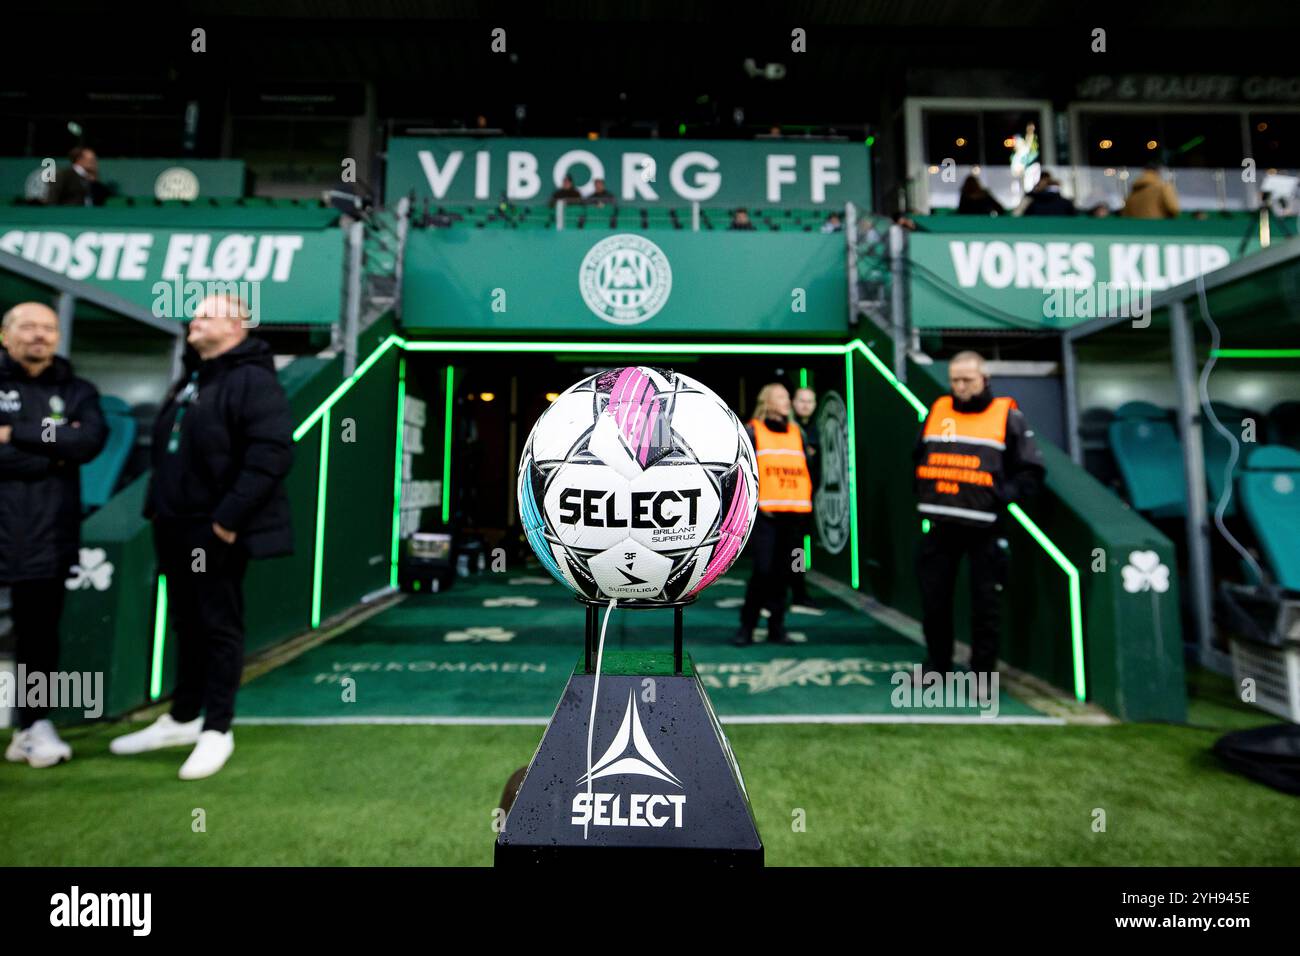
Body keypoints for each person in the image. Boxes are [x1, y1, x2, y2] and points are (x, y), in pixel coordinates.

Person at [109, 294, 293, 780]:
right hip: (173, 524)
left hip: (212, 529)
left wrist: (227, 518)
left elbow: (272, 453)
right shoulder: (193, 376)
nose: (195, 320)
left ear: (237, 326)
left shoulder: (253, 379)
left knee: (217, 625)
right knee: (187, 624)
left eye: (207, 314)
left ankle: (217, 728)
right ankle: (183, 717)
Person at [0, 302, 107, 767]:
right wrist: (51, 449)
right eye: (27, 327)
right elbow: (66, 445)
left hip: (47, 534)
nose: (38, 335)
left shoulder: (79, 389)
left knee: (39, 635)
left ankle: (33, 725)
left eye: (47, 328)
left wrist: (12, 435)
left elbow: (86, 443)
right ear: (5, 336)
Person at [913, 351, 1044, 679]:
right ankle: (937, 666)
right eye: (955, 380)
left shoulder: (1008, 417)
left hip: (985, 527)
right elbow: (917, 457)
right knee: (934, 602)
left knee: (985, 607)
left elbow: (1031, 471)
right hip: (941, 525)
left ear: (984, 379)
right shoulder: (937, 411)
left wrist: (1001, 497)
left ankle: (982, 675)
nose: (960, 386)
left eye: (967, 380)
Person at [734, 383, 812, 647]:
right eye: (781, 396)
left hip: (792, 515)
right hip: (765, 517)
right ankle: (747, 626)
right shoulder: (753, 431)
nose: (787, 400)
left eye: (787, 396)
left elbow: (807, 469)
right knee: (762, 572)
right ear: (767, 400)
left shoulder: (796, 432)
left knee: (784, 574)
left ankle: (777, 627)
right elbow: (742, 472)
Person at [789, 387, 822, 613]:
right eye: (801, 400)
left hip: (804, 504)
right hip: (782, 502)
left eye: (810, 401)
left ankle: (799, 591)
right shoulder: (788, 428)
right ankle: (775, 594)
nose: (805, 405)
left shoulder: (815, 430)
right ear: (793, 402)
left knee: (798, 552)